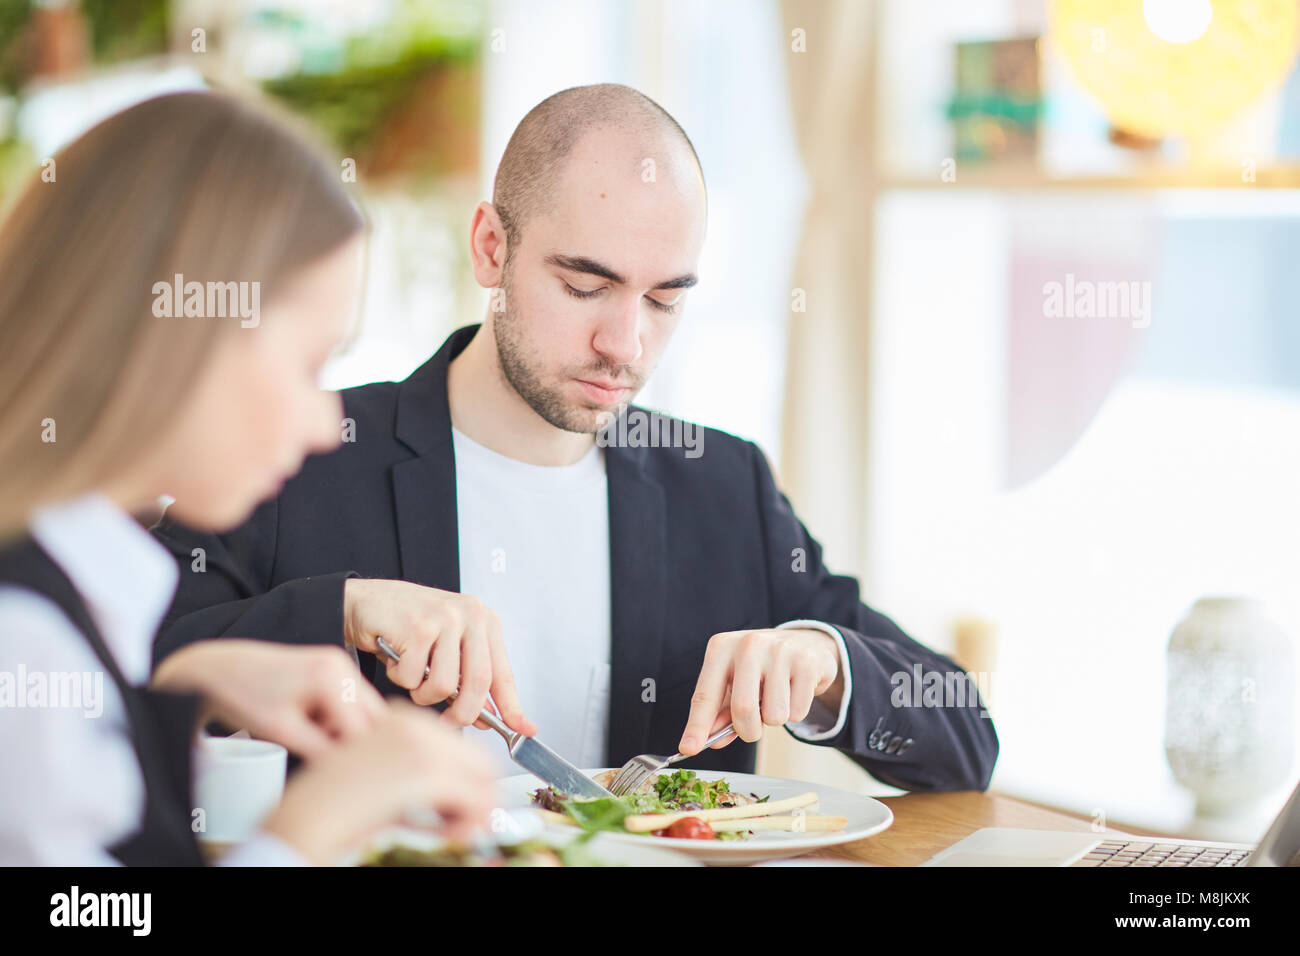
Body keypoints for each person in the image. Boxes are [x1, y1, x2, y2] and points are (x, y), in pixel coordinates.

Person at [154, 83, 999, 791]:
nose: (626, 344)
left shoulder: (722, 487)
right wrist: (341, 610)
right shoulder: (298, 452)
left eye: (665, 300)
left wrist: (828, 666)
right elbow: (110, 681)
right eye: (586, 285)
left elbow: (970, 736)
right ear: (492, 247)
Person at [0, 91, 498, 866]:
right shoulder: (24, 638)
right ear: (176, 340)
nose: (325, 423)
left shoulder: (74, 593)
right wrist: (311, 826)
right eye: (308, 365)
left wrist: (185, 694)